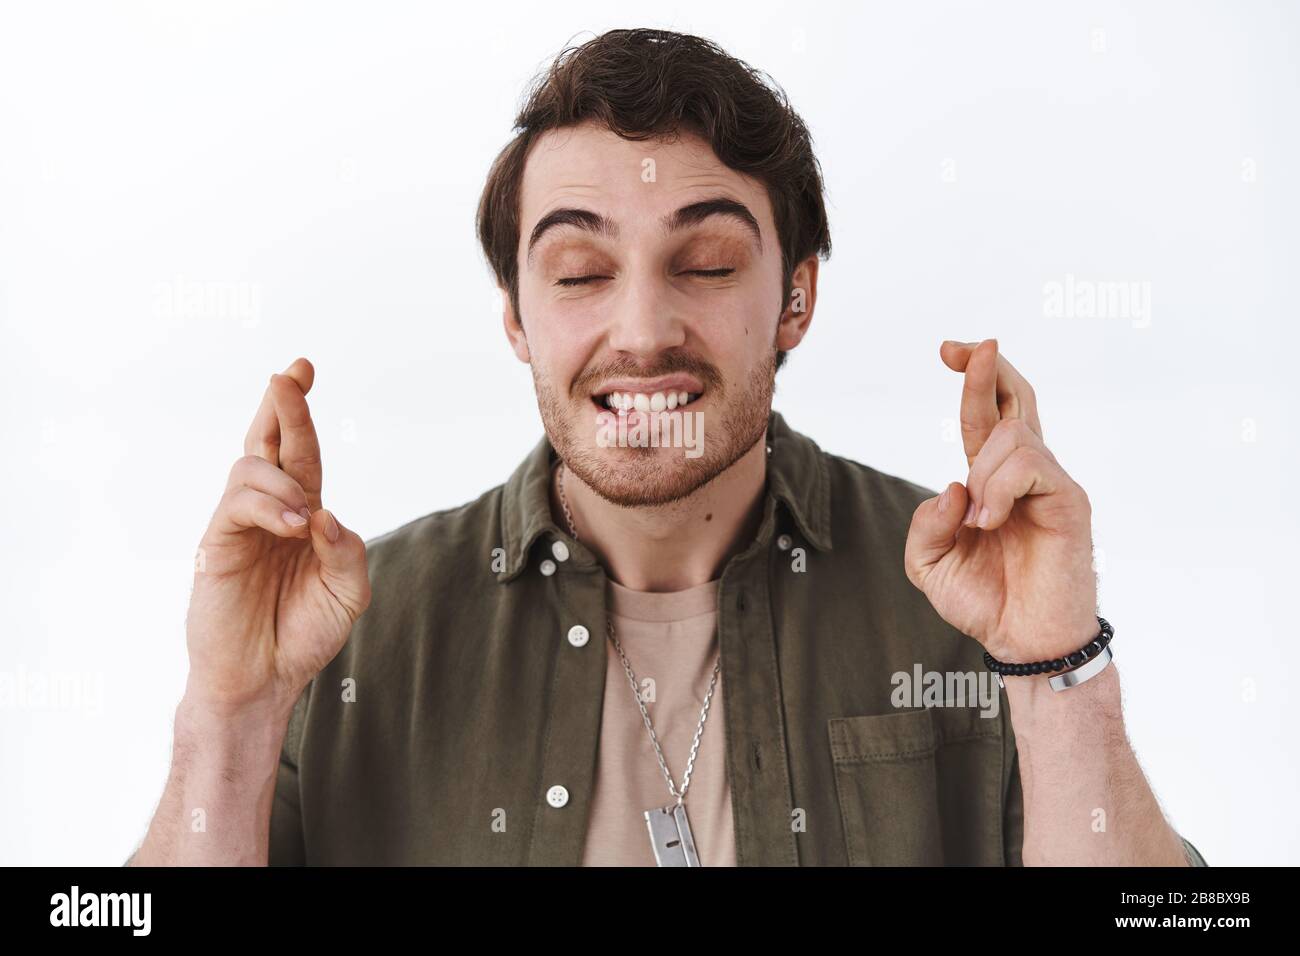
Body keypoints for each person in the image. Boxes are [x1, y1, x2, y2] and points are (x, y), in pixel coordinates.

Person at [129, 28, 1206, 866]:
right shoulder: (349, 637)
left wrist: (1057, 662)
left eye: (703, 262)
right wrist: (228, 708)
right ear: (515, 316)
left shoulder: (967, 598)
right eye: (580, 273)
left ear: (795, 298)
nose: (641, 331)